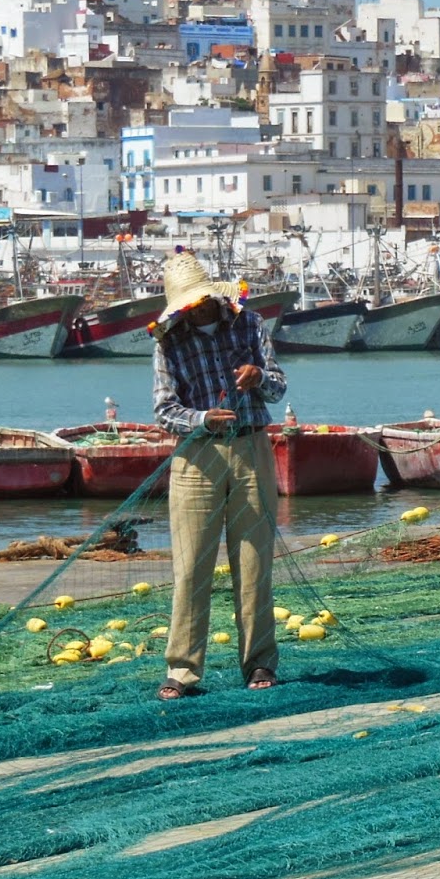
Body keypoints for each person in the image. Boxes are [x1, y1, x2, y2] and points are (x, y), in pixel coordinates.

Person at [151, 251, 288, 700]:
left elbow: (279, 385)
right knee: (192, 567)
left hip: (251, 447)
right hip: (197, 458)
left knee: (254, 563)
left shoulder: (249, 324)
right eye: (188, 306)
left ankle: (260, 663)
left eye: (201, 302)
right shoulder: (169, 342)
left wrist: (258, 377)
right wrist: (200, 419)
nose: (198, 309)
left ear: (212, 296)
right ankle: (183, 669)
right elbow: (164, 410)